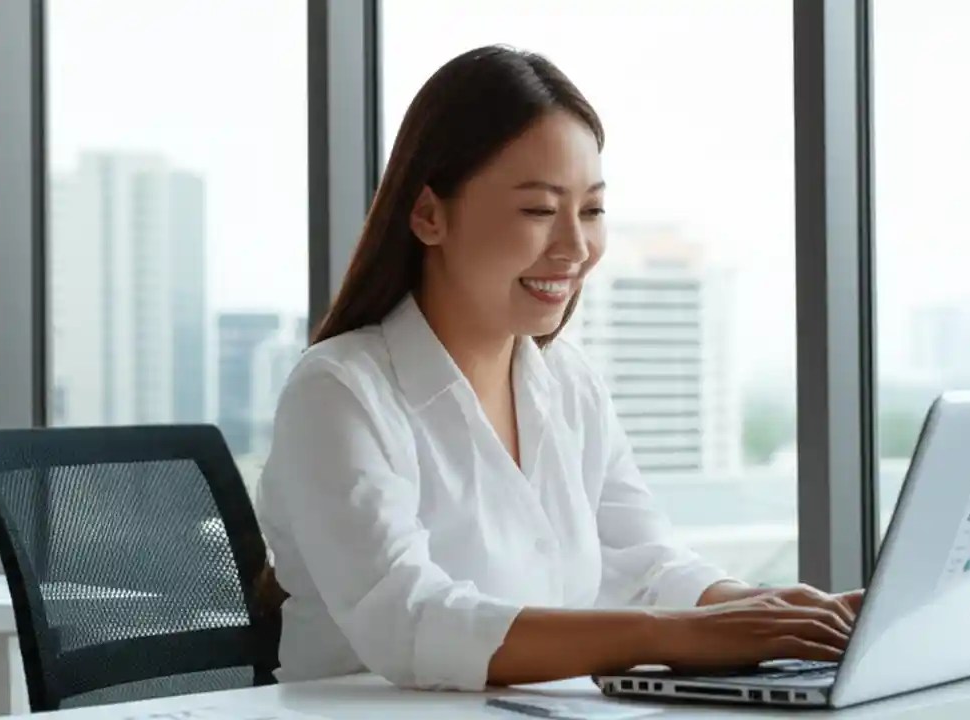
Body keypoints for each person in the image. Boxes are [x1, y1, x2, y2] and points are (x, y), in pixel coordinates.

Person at [256, 44, 862, 692]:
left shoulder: (568, 385)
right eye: (540, 211)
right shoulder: (340, 392)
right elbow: (411, 620)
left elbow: (644, 563)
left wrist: (767, 614)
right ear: (430, 214)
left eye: (593, 211)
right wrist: (668, 636)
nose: (576, 248)